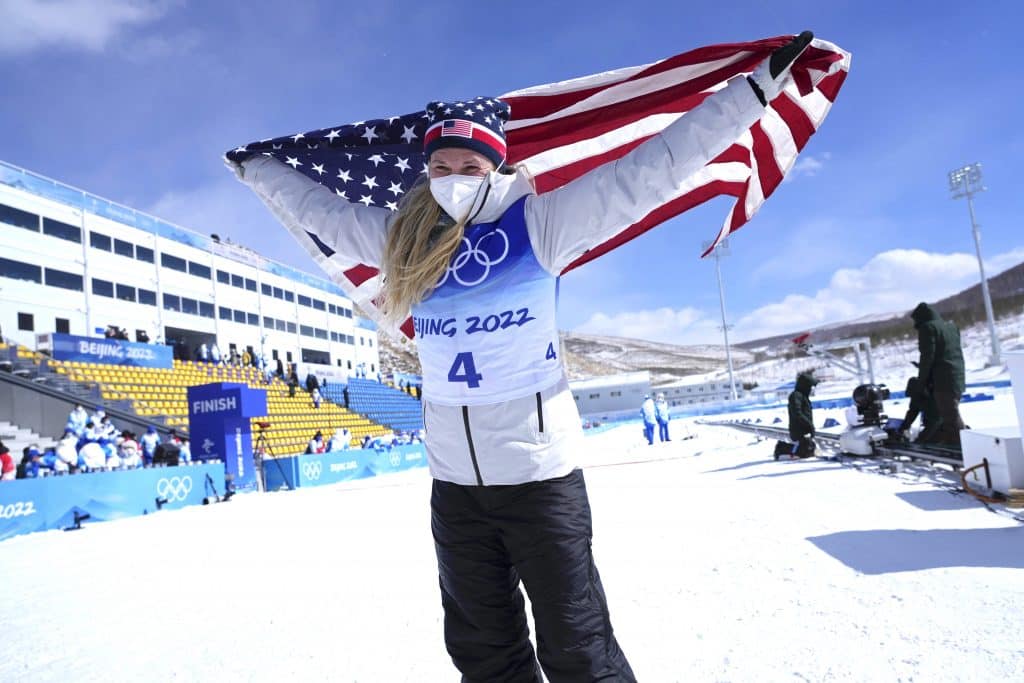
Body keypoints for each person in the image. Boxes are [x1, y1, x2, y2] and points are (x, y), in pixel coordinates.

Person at [229, 32, 813, 681]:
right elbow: (323, 211)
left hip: (541, 480)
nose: (454, 179)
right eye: (441, 167)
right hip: (456, 490)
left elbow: (651, 170)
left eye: (468, 165)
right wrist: (259, 171)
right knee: (484, 653)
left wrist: (750, 93)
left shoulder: (542, 223)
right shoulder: (403, 241)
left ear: (496, 165)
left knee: (578, 647)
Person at [910, 302, 966, 447]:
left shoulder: (927, 328)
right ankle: (949, 442)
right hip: (957, 376)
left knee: (950, 416)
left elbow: (927, 357)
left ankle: (962, 446)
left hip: (943, 380)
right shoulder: (951, 326)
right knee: (948, 414)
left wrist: (921, 382)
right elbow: (946, 352)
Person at [898, 375, 942, 444]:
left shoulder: (933, 400)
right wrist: (903, 428)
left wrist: (920, 439)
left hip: (943, 427)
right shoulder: (917, 396)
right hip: (931, 423)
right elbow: (912, 412)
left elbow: (936, 421)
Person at [787, 371, 818, 458]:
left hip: (804, 432)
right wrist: (809, 425)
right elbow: (797, 413)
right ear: (805, 385)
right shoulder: (796, 396)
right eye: (810, 386)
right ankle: (782, 449)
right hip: (799, 433)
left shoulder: (803, 396)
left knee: (810, 451)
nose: (811, 389)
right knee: (805, 453)